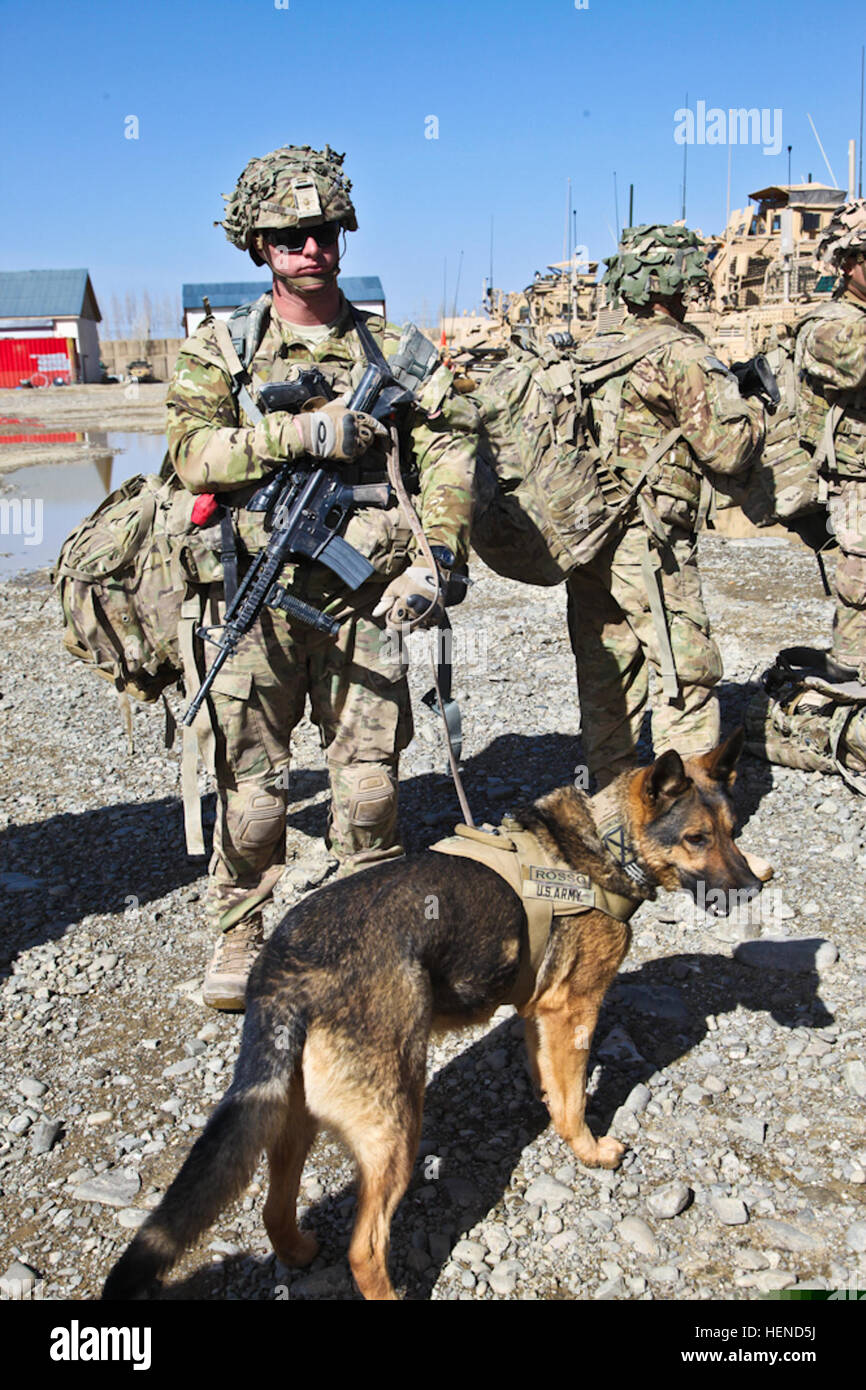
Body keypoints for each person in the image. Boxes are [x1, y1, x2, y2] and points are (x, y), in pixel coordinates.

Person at [167, 144, 477, 1009]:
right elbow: (194, 457)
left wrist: (437, 557)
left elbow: (454, 440)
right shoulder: (221, 352)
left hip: (367, 600)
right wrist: (298, 437)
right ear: (258, 248)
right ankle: (239, 929)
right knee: (257, 791)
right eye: (289, 237)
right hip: (253, 597)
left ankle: (364, 929)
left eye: (325, 232)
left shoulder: (399, 353)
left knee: (371, 782)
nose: (311, 249)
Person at [565, 224, 764, 788]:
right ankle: (689, 825)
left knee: (608, 678)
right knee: (685, 675)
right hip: (649, 545)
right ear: (679, 278)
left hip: (586, 535)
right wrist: (759, 410)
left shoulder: (594, 349)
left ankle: (614, 810)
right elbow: (728, 451)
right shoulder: (682, 352)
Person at [796, 199, 866, 677]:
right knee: (861, 581)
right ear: (846, 263)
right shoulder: (831, 324)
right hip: (857, 481)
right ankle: (851, 671)